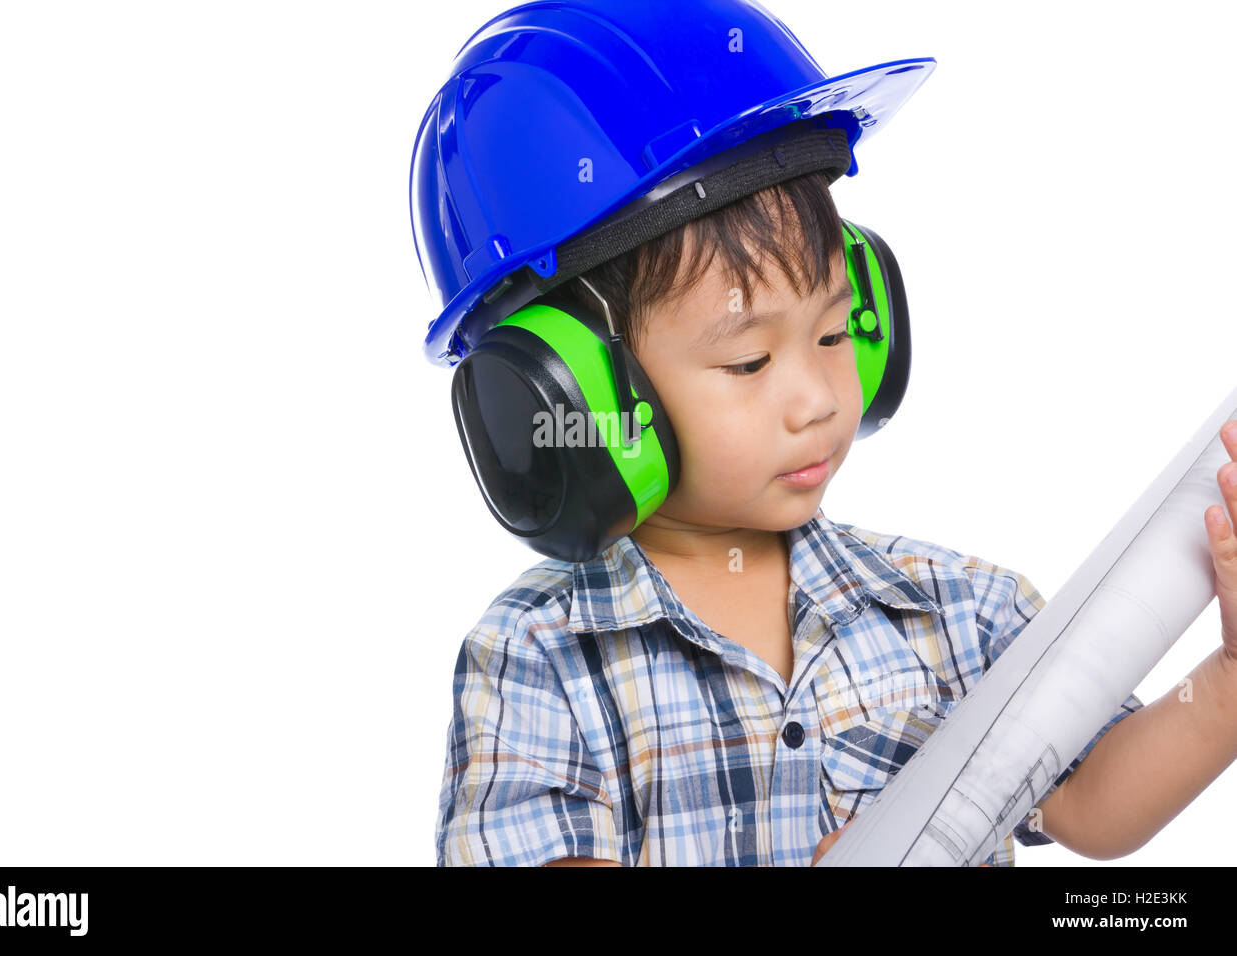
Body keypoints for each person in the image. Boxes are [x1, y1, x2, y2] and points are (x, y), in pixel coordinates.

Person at [414, 0, 1237, 866]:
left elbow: (1094, 801)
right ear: (573, 393)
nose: (817, 399)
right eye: (748, 364)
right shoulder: (538, 657)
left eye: (837, 333)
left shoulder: (953, 609)